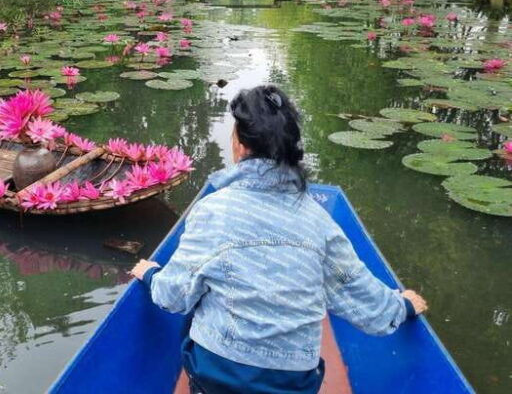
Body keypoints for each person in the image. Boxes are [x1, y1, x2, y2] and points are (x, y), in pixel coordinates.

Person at [130, 85, 427, 394]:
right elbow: (359, 294)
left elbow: (174, 297)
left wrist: (151, 275)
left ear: (241, 147)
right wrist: (402, 307)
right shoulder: (318, 220)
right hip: (293, 382)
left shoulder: (213, 210)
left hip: (219, 376)